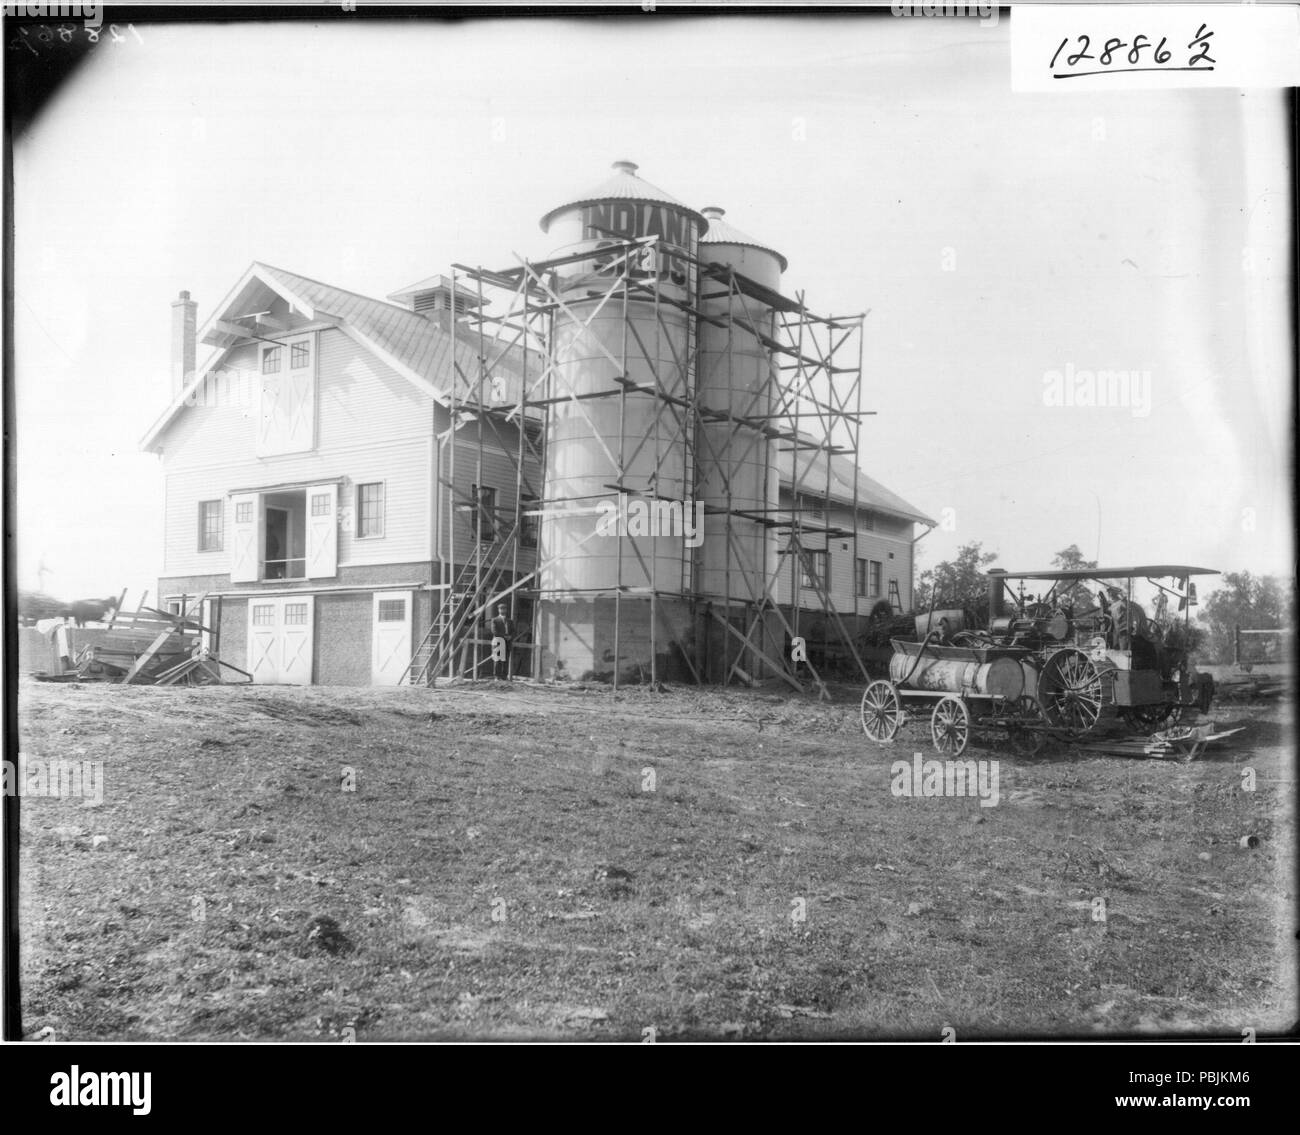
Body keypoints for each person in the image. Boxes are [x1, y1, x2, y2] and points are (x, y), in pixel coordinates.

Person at [490, 603, 513, 680]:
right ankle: (497, 676)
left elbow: (513, 631)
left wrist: (511, 636)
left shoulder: (510, 621)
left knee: (505, 660)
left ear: (506, 610)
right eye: (501, 609)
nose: (502, 610)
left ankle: (504, 676)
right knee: (497, 660)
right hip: (498, 642)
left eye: (504, 609)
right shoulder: (495, 620)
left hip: (507, 643)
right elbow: (494, 632)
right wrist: (504, 636)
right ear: (498, 610)